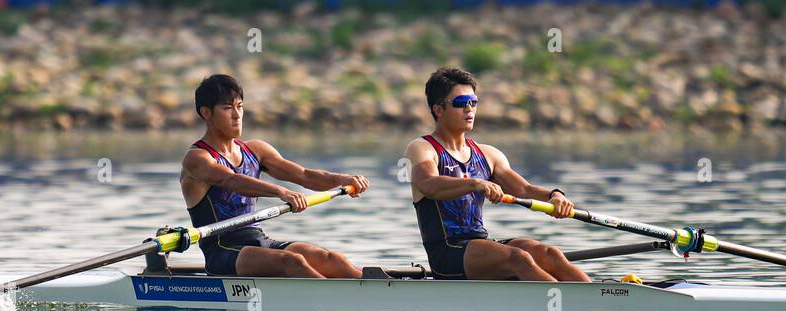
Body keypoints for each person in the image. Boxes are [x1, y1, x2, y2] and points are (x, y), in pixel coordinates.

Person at [405, 67, 590, 281]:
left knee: (550, 255)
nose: (469, 109)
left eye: (473, 102)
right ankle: (567, 307)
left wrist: (555, 196)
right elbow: (429, 185)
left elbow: (524, 189)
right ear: (438, 109)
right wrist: (475, 183)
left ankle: (598, 299)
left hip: (480, 246)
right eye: (460, 103)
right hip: (447, 254)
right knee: (519, 259)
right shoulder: (422, 149)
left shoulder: (488, 154)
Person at [180, 74, 370, 278]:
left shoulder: (255, 150)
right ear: (206, 113)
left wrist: (342, 179)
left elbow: (305, 175)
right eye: (227, 108)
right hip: (222, 252)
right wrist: (282, 192)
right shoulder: (197, 159)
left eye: (240, 106)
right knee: (293, 261)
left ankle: (376, 293)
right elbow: (231, 180)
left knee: (332, 258)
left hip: (259, 241)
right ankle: (338, 303)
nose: (237, 115)